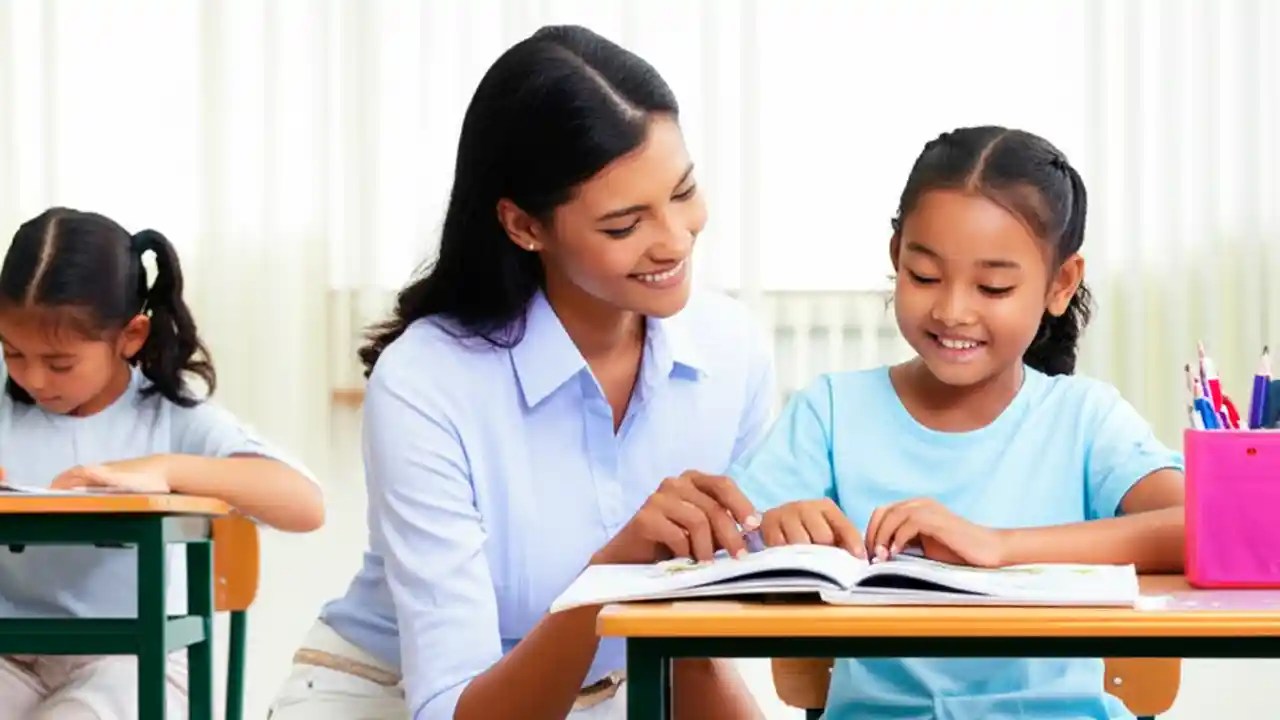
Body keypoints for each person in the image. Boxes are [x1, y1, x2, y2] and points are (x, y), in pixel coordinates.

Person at [269, 25, 771, 720]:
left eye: (683, 192)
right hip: (389, 697)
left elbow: (696, 650)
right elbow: (449, 707)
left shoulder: (731, 350)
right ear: (524, 226)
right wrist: (616, 573)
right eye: (624, 225)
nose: (674, 240)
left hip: (615, 696)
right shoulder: (427, 383)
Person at [725, 126, 1185, 719]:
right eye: (924, 276)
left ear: (1060, 284)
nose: (952, 310)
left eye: (993, 287)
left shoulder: (1084, 419)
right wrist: (771, 528)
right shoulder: (833, 413)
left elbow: (1211, 528)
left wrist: (998, 547)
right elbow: (723, 545)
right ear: (896, 256)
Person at [0, 207, 324, 720]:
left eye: (60, 363)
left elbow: (305, 505)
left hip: (134, 659)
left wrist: (167, 471)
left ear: (130, 336)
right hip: (14, 654)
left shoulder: (168, 415)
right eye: (13, 353)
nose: (34, 379)